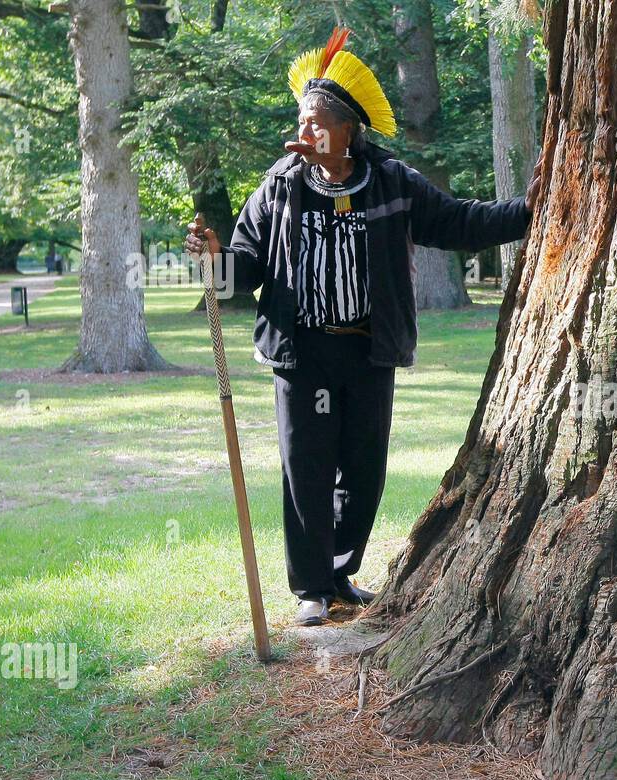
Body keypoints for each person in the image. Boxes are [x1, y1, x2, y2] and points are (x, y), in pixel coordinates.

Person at [185, 27, 543, 626]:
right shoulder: (279, 188)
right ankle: (311, 589)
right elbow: (241, 271)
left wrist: (529, 212)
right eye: (301, 122)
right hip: (302, 356)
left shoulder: (392, 183)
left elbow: (458, 223)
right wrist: (215, 258)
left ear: (349, 130)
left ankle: (341, 574)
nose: (305, 134)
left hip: (368, 351)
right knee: (307, 469)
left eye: (317, 123)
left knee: (365, 470)